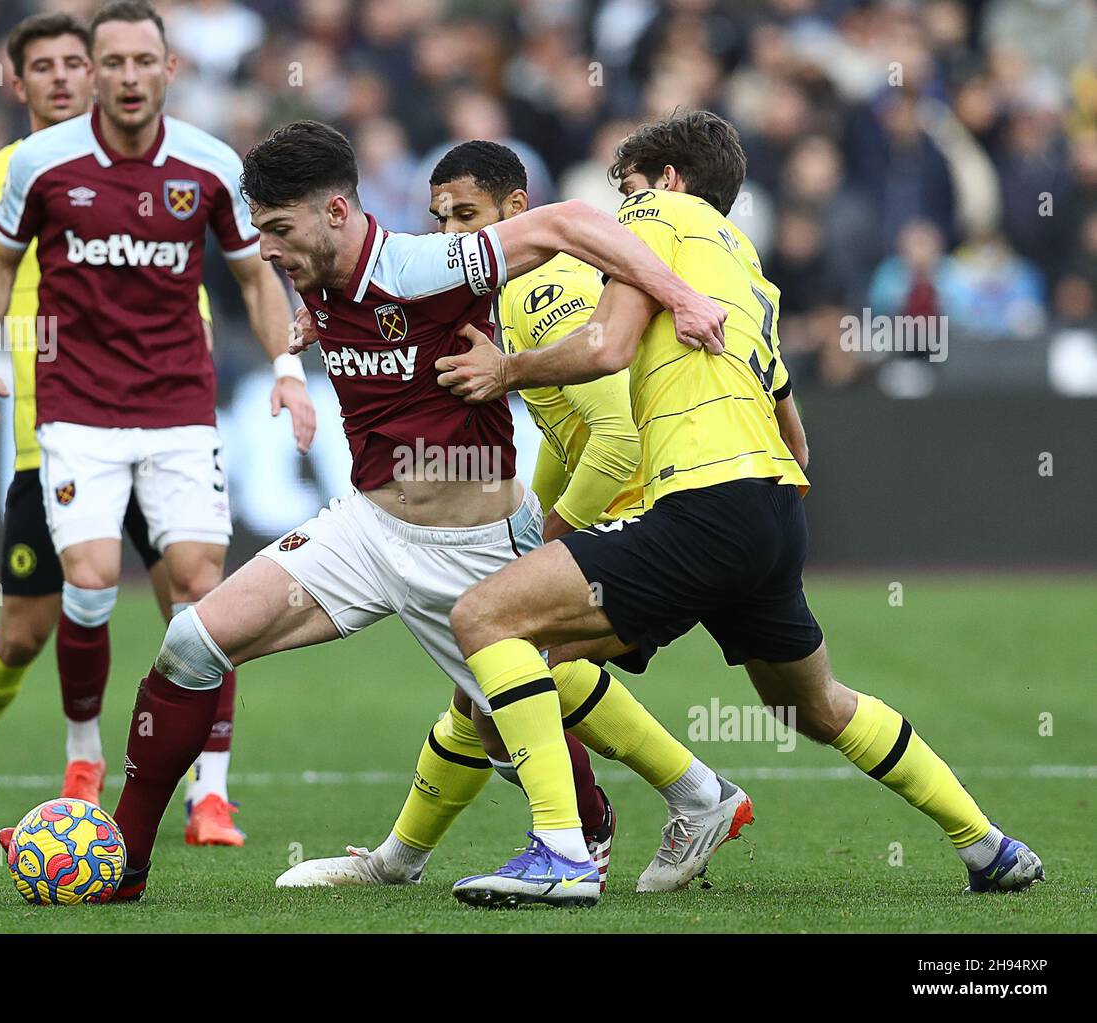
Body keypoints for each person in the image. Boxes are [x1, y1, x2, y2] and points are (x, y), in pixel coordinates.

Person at [26, 114, 728, 905]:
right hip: (364, 531)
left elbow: (569, 221)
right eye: (261, 231)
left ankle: (592, 828)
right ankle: (126, 865)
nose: (267, 251)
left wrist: (681, 296)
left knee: (512, 725)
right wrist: (308, 324)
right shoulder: (315, 279)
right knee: (191, 644)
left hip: (474, 547)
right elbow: (335, 310)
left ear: (336, 213)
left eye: (280, 230)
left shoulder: (427, 263)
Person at [436, 110, 1044, 899]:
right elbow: (795, 433)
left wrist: (505, 369)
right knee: (816, 706)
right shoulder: (746, 268)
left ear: (668, 181)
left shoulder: (654, 217)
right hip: (770, 508)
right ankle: (987, 844)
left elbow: (607, 347)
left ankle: (571, 850)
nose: (618, 210)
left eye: (627, 188)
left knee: (486, 620)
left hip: (702, 501)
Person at [277, 139, 749, 898]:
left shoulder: (537, 289)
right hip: (680, 507)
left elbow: (616, 437)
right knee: (492, 684)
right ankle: (410, 857)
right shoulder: (490, 287)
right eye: (440, 220)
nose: (450, 237)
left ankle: (584, 835)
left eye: (467, 217)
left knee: (506, 667)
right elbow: (566, 430)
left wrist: (551, 535)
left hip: (653, 515)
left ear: (515, 212)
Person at [0, 1, 316, 843]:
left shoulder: (210, 164)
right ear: (96, 71)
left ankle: (209, 793)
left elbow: (258, 280)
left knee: (202, 595)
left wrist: (290, 371)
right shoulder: (41, 165)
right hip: (76, 408)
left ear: (168, 68)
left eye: (142, 62)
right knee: (88, 583)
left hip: (181, 406)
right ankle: (84, 756)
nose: (126, 77)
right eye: (110, 63)